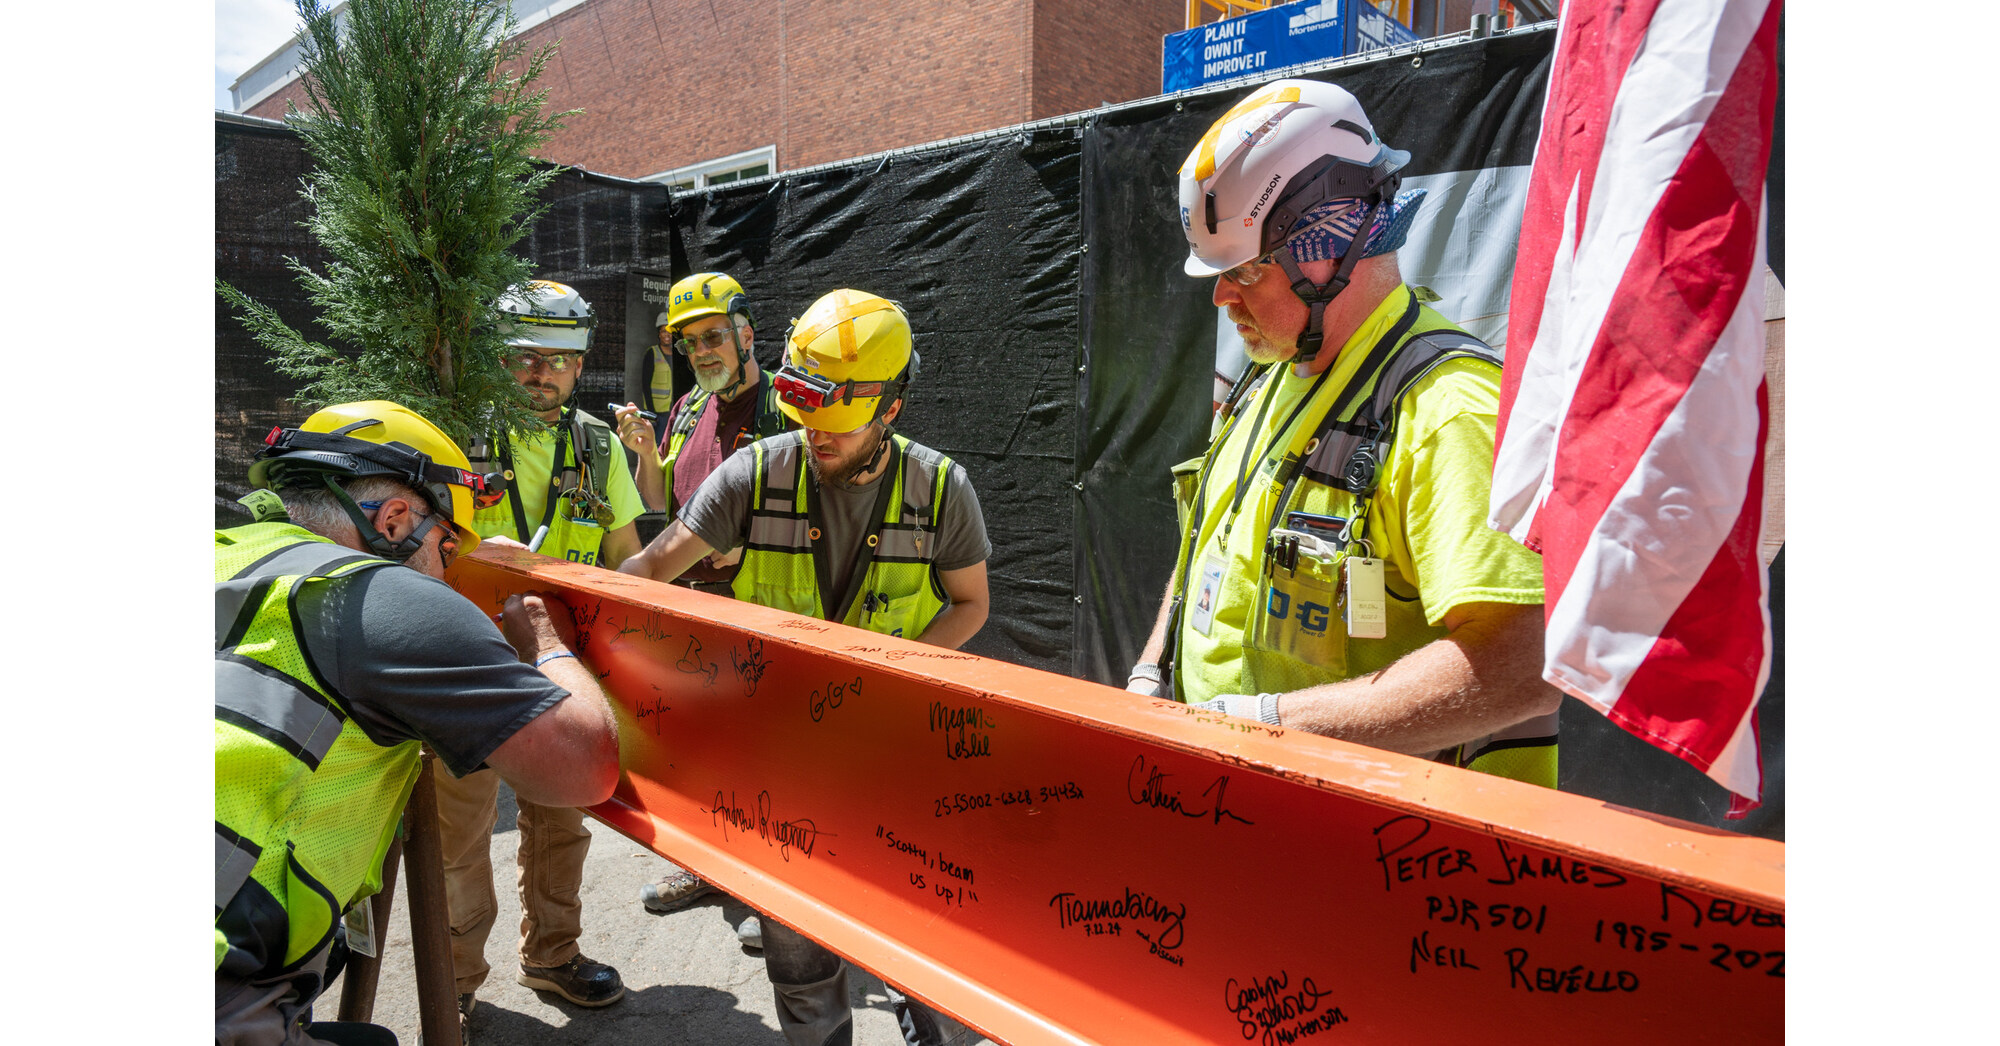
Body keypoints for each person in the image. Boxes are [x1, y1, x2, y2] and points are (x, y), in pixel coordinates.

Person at [1127, 78, 1563, 787]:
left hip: (1379, 834)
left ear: (1330, 247)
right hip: (1234, 805)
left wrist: (1271, 727)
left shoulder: (1449, 411)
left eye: (1245, 269)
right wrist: (1153, 669)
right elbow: (1208, 545)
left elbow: (1526, 664)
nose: (1221, 296)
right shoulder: (1267, 379)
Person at [621, 288, 991, 1046]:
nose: (816, 432)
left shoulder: (940, 488)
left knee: (920, 948)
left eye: (837, 418)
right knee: (799, 960)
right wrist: (564, 597)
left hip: (892, 751)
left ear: (891, 407)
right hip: (778, 764)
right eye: (804, 411)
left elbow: (970, 605)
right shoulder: (755, 475)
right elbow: (648, 570)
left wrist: (888, 671)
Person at [216, 401, 620, 1046]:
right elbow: (584, 770)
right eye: (448, 544)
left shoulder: (223, 555)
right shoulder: (385, 598)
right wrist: (546, 643)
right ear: (395, 520)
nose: (450, 568)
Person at [431, 279, 645, 1023]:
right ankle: (455, 984)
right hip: (464, 666)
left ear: (580, 366)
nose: (540, 373)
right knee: (458, 839)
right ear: (500, 357)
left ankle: (553, 956)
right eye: (525, 356)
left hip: (558, 665)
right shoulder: (454, 440)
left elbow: (625, 560)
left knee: (561, 820)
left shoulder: (599, 447)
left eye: (557, 360)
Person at [612, 271, 793, 937]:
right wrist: (643, 453)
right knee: (698, 747)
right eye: (690, 343)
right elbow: (660, 498)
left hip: (763, 608)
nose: (702, 352)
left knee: (767, 751)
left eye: (714, 336)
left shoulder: (785, 408)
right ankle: (706, 865)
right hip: (691, 608)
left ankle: (771, 892)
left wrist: (746, 543)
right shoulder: (689, 406)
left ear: (747, 335)